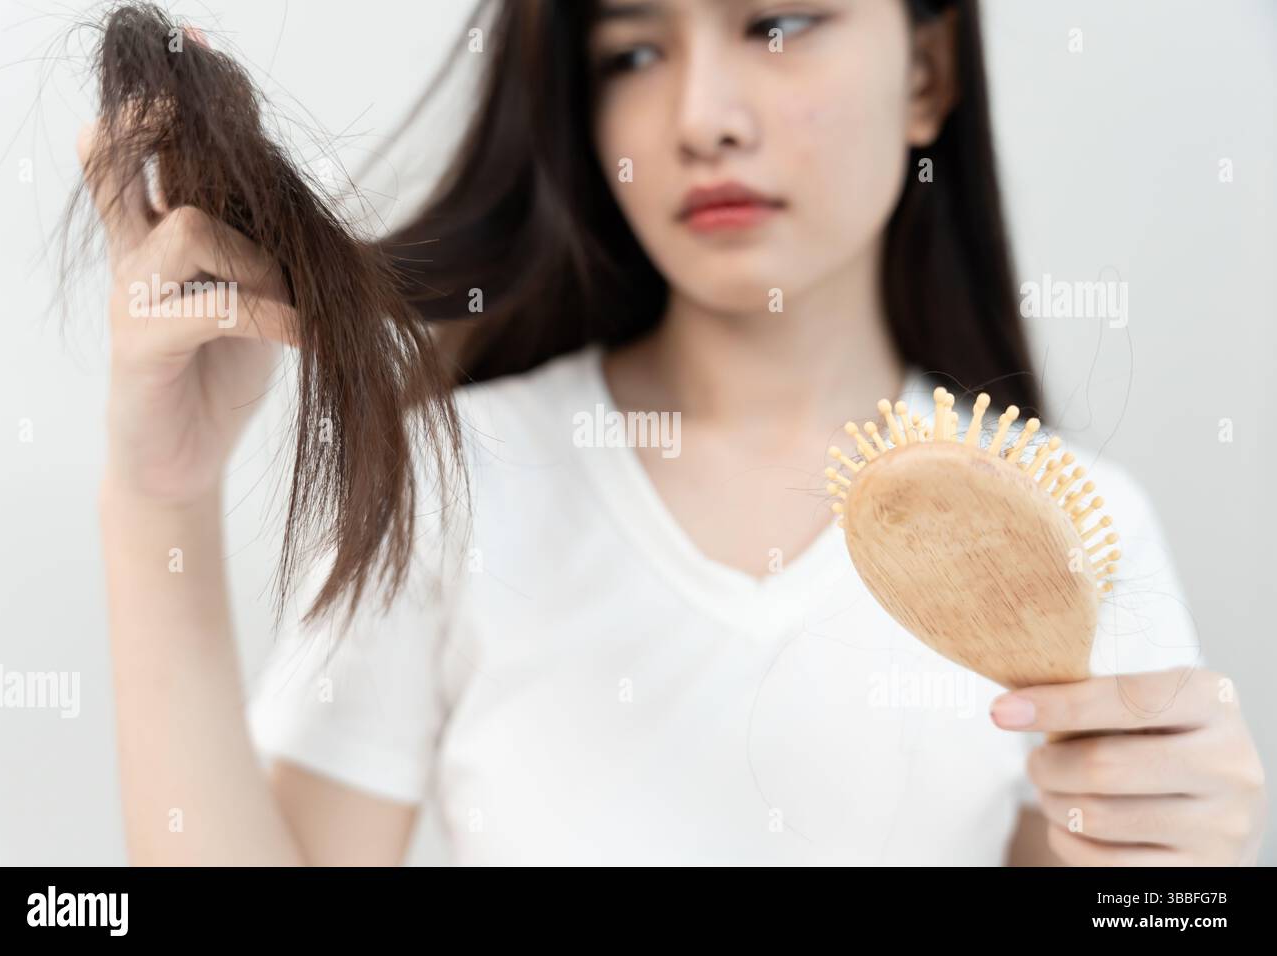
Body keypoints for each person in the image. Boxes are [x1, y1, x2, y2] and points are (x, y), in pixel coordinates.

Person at [88, 0, 1265, 865]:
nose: (700, 117)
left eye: (779, 23)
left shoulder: (1074, 528)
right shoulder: (462, 478)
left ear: (925, 66)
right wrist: (159, 501)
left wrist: (1174, 886)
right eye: (634, 51)